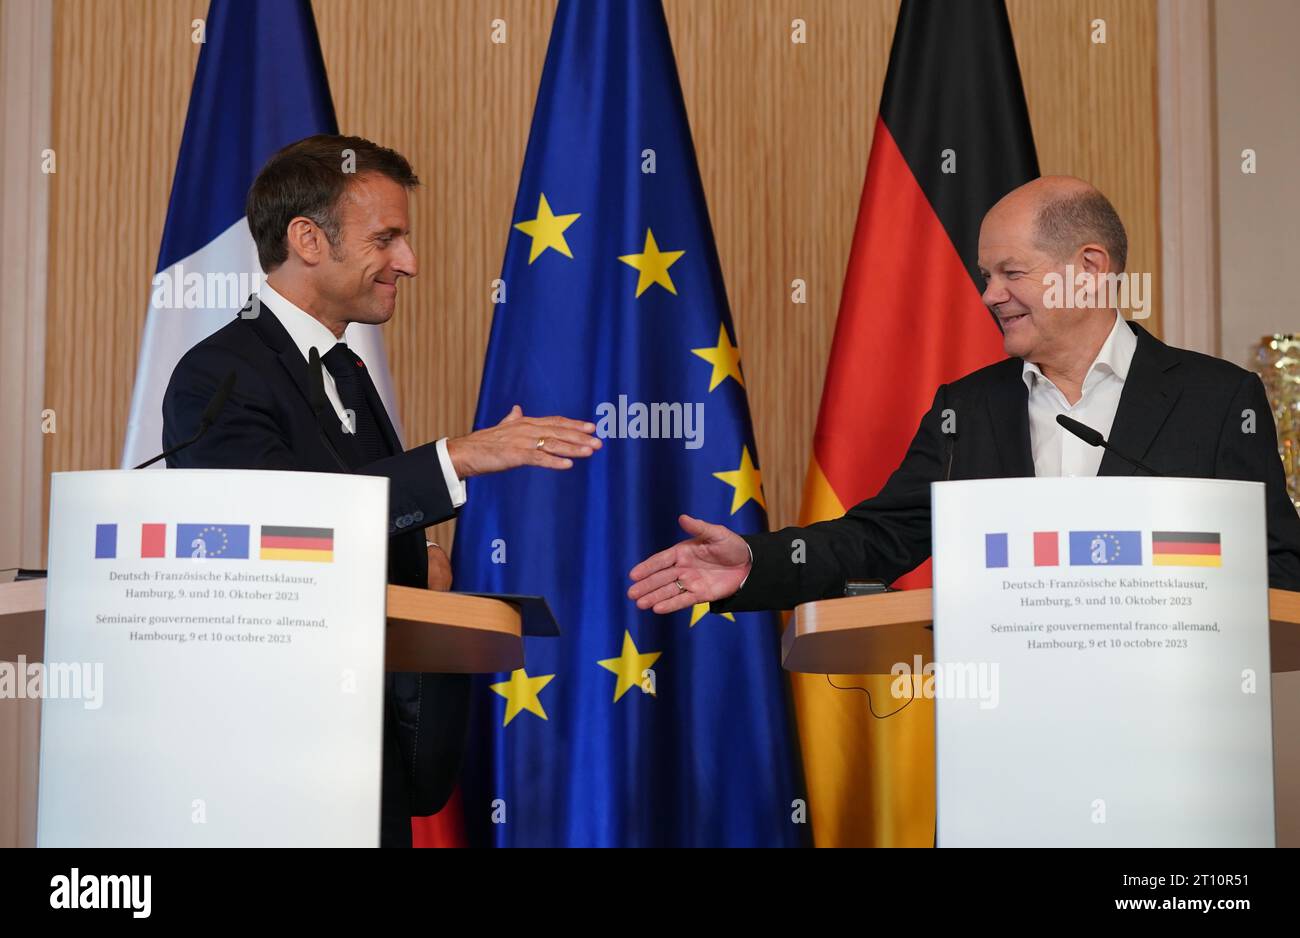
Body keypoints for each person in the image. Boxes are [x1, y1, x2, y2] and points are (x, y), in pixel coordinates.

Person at [163, 134, 601, 846]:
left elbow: (351, 515)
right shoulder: (220, 374)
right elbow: (278, 529)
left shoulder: (346, 370)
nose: (410, 262)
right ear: (308, 239)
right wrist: (456, 457)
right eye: (386, 238)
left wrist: (416, 566)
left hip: (367, 765)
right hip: (274, 773)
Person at [628, 176, 1300, 615]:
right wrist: (756, 561)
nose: (989, 296)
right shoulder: (968, 409)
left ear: (1090, 269)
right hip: (1006, 743)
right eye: (986, 275)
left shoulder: (1217, 399)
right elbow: (880, 538)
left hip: (1182, 747)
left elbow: (1279, 566)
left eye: (1012, 272)